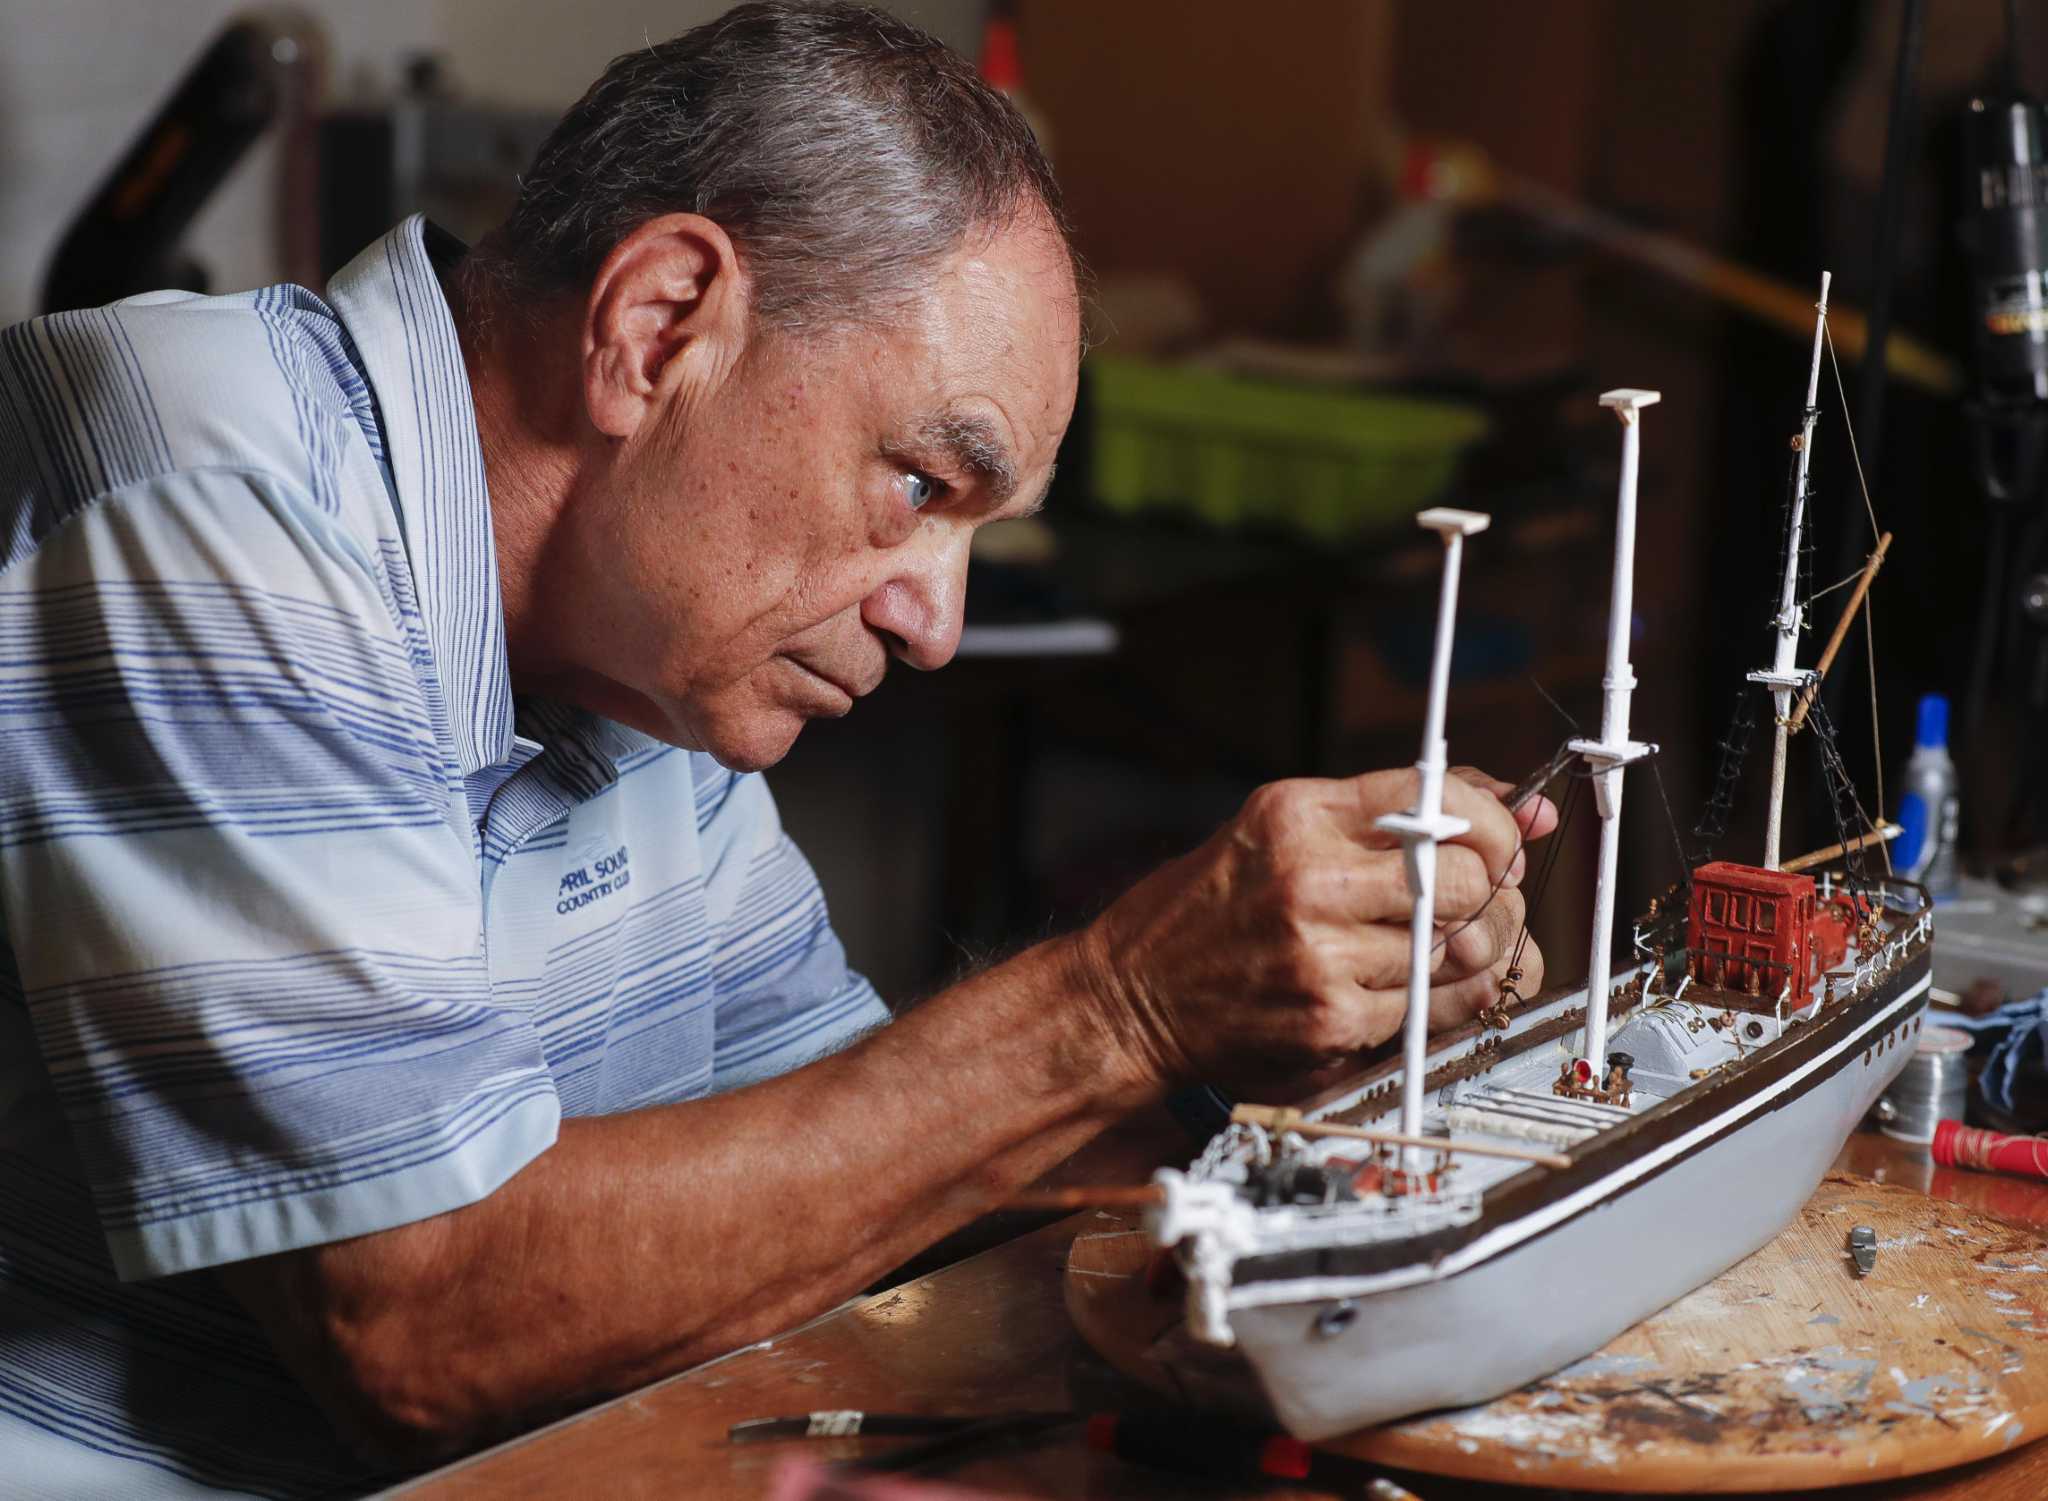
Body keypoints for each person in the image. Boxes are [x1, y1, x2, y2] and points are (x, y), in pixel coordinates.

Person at [0, 4, 1551, 1495]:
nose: (936, 620)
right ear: (659, 325)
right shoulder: (203, 496)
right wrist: (1122, 1003)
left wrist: (1242, 1049)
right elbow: (419, 1322)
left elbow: (848, 1179)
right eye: (925, 486)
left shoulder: (645, 648)